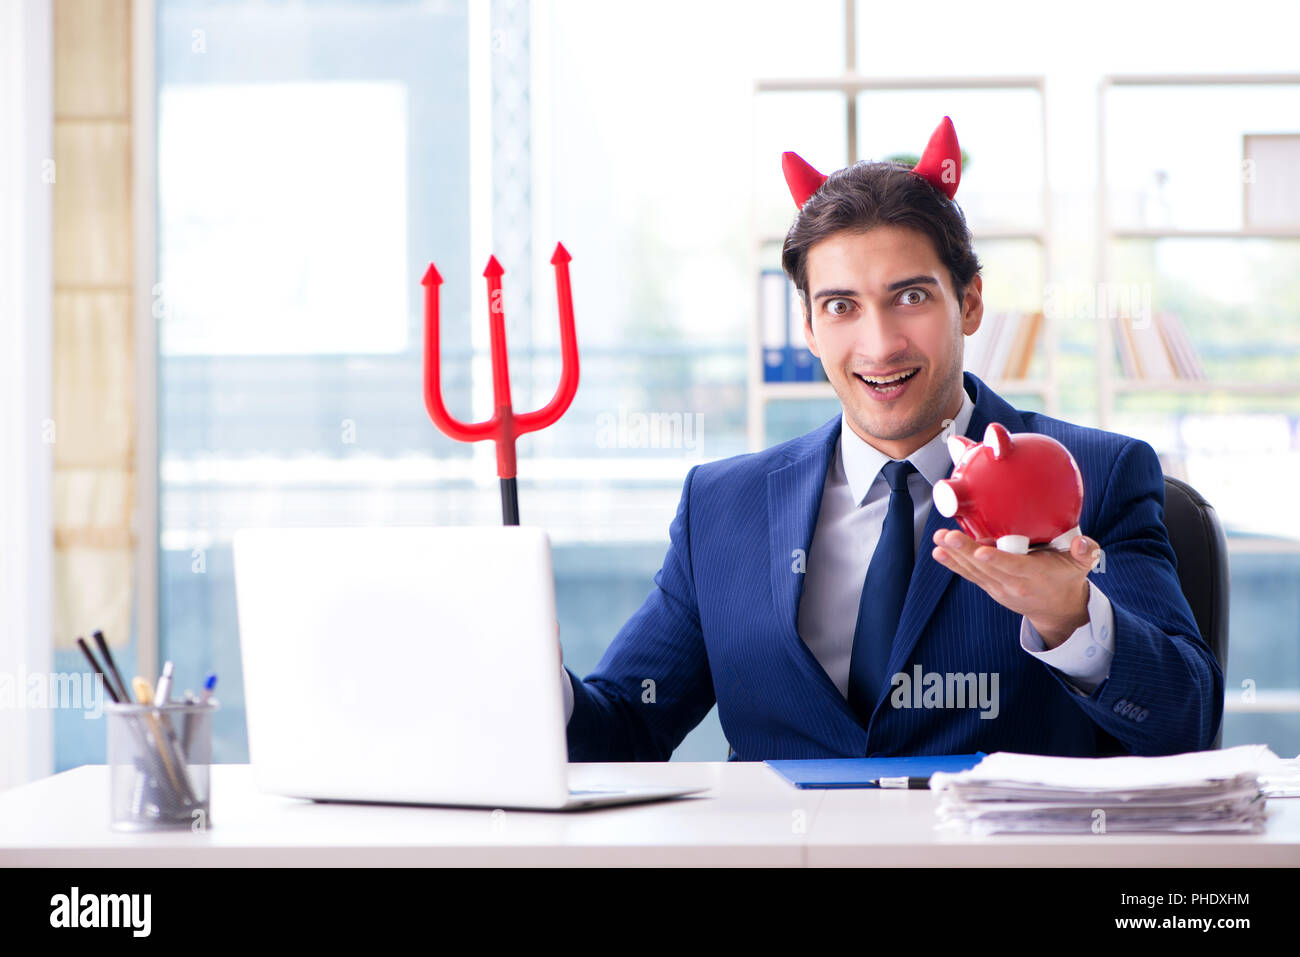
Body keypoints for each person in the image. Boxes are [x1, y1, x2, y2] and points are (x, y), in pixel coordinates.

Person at [560, 117, 1222, 761]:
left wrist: (1072, 617)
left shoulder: (1094, 476)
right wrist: (537, 683)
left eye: (910, 297)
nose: (879, 345)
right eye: (841, 306)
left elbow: (1184, 722)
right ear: (811, 327)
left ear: (969, 302)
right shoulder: (723, 506)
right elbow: (621, 729)